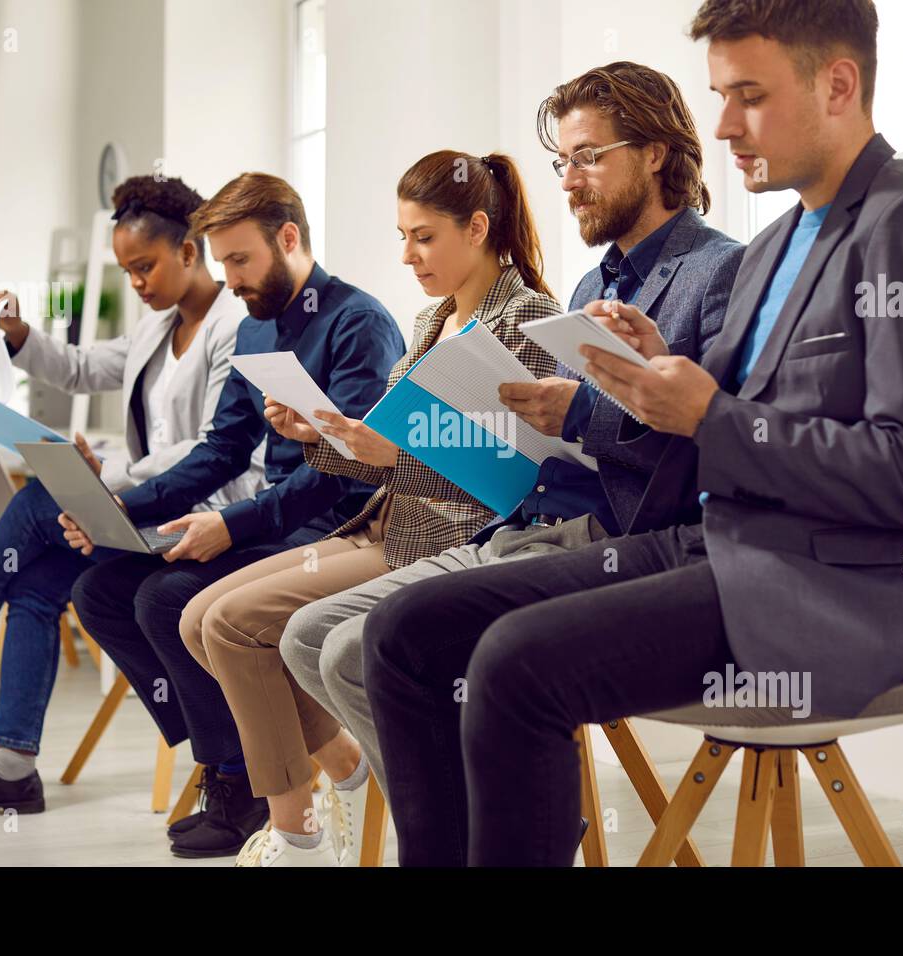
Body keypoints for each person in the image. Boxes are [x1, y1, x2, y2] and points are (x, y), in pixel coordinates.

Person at [361, 0, 903, 866]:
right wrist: (656, 375)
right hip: (709, 546)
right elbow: (736, 421)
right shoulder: (779, 240)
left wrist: (710, 413)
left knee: (513, 663)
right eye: (720, 94)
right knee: (404, 629)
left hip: (830, 591)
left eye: (748, 95)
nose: (723, 126)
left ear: (839, 84)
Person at [277, 60, 743, 861]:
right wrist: (372, 443)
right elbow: (555, 443)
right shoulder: (596, 281)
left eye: (589, 156)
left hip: (619, 537)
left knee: (363, 646)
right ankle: (490, 829)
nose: (569, 180)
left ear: (658, 154)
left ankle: (498, 830)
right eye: (563, 162)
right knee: (316, 636)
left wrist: (576, 412)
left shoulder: (718, 270)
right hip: (529, 512)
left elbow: (701, 449)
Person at [177, 150, 560, 868]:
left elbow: (514, 479)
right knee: (198, 619)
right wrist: (319, 436)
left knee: (232, 626)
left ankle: (304, 831)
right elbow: (383, 450)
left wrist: (388, 456)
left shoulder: (528, 318)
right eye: (402, 236)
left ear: (477, 228)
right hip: (385, 523)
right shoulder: (429, 321)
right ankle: (353, 778)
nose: (409, 255)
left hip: (451, 540)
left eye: (424, 236)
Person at [0, 175, 267, 818]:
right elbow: (78, 367)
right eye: (127, 269)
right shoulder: (156, 328)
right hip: (145, 504)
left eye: (145, 266)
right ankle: (12, 767)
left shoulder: (234, 330)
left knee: (33, 508)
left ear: (190, 250)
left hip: (200, 511)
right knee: (37, 583)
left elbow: (210, 448)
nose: (136, 282)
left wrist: (108, 470)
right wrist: (19, 333)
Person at [66, 172, 405, 859]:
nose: (231, 278)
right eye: (221, 263)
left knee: (167, 598)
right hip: (275, 521)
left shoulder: (358, 324)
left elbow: (343, 474)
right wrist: (118, 507)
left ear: (289, 238)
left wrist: (234, 525)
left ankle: (244, 782)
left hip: (334, 527)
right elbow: (224, 449)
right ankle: (238, 754)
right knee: (99, 590)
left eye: (240, 260)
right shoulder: (254, 331)